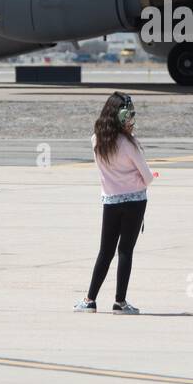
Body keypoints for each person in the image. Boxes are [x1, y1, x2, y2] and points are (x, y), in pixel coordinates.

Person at [75, 92, 155, 314]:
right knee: (125, 251)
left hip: (110, 201)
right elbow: (147, 177)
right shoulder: (129, 143)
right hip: (135, 201)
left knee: (105, 251)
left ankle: (90, 299)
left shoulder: (96, 140)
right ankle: (120, 302)